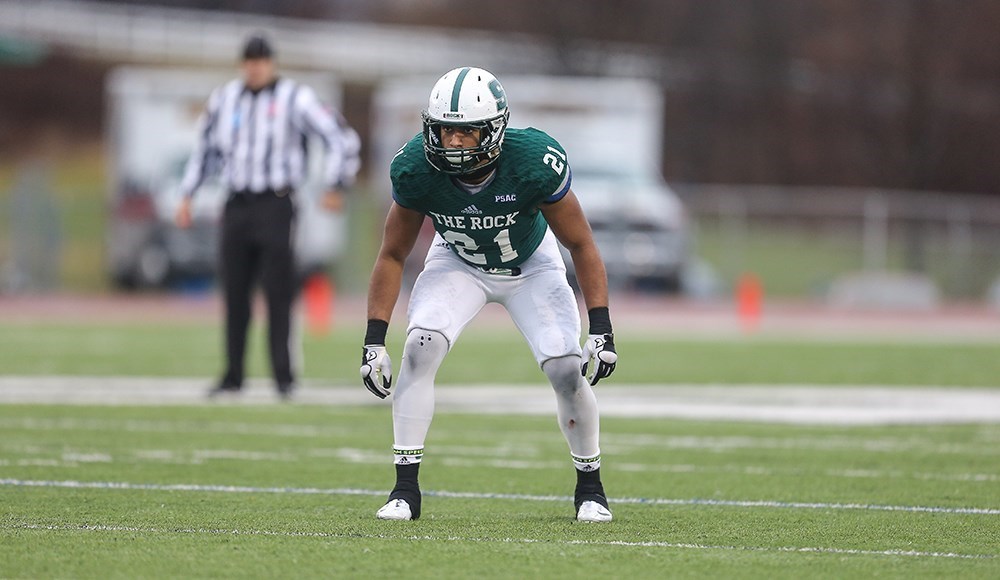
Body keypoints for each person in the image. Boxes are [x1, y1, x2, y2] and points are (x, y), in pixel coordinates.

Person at [360, 67, 619, 522]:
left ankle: (591, 490)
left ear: (495, 130)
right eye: (445, 130)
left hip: (531, 264)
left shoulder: (533, 161)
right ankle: (404, 491)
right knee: (420, 346)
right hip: (458, 261)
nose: (454, 142)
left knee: (565, 367)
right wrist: (374, 339)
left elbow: (581, 244)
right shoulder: (416, 168)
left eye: (466, 131)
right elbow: (392, 254)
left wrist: (602, 329)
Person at [176, 32, 360, 400]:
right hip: (236, 203)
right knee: (235, 291)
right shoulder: (225, 99)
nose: (255, 68)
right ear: (242, 64)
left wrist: (336, 184)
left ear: (271, 63)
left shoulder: (295, 97)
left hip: (276, 204)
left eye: (261, 61)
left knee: (278, 292)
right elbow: (205, 149)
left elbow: (340, 136)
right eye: (249, 61)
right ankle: (233, 375)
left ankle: (283, 377)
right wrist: (188, 194)